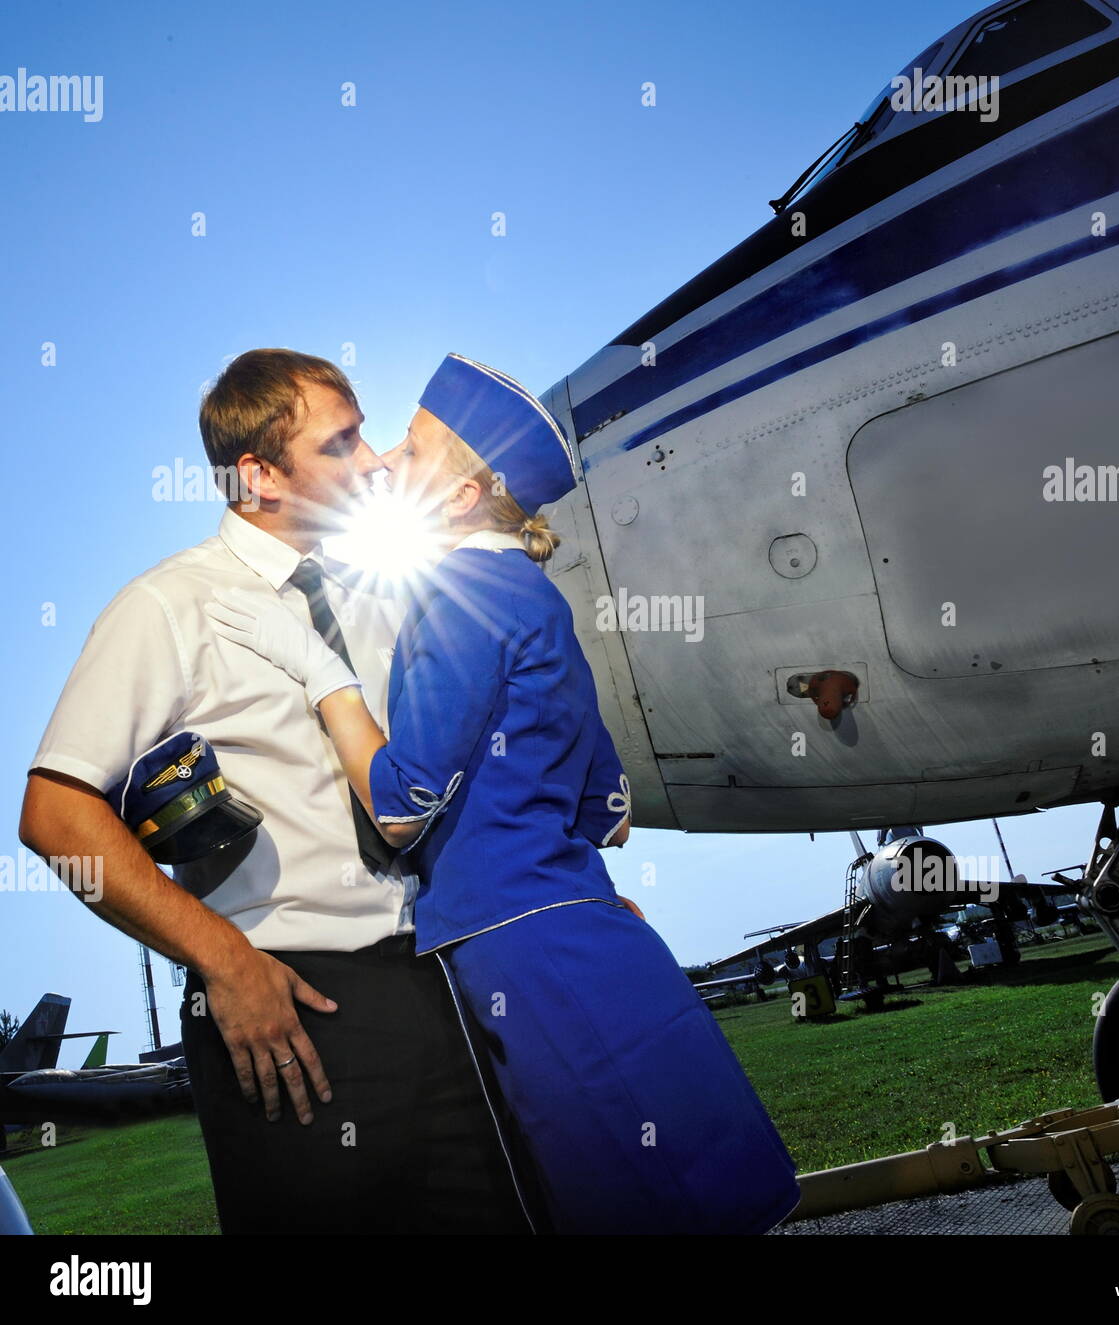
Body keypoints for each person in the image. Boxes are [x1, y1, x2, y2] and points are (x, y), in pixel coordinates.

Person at [206, 352, 803, 1234]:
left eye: (410, 452)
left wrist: (326, 680)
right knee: (689, 1185)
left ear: (456, 497)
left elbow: (404, 804)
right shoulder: (531, 593)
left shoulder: (456, 596)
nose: (384, 465)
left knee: (623, 1201)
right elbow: (611, 808)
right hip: (586, 927)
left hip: (514, 944)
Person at [19, 349, 531, 1234]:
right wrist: (223, 960)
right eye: (341, 443)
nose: (371, 460)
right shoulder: (168, 605)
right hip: (284, 1010)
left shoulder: (383, 603)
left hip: (440, 990)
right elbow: (54, 815)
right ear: (258, 473)